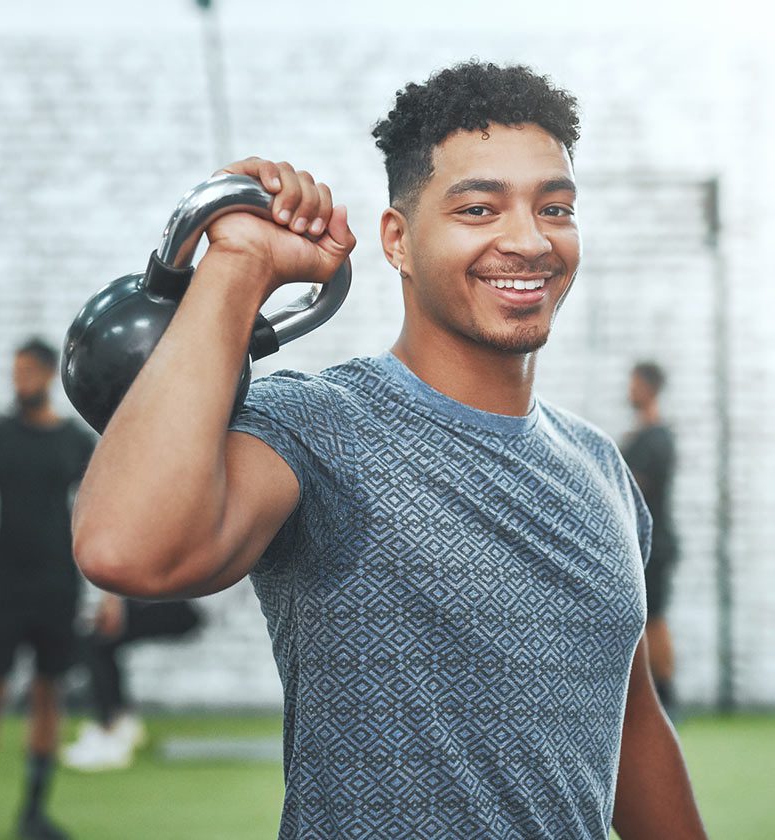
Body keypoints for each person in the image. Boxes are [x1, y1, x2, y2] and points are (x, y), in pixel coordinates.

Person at [71, 62, 708, 838]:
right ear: (397, 242)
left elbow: (633, 725)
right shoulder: (318, 426)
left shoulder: (600, 467)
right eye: (479, 208)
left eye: (556, 207)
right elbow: (126, 550)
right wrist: (239, 264)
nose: (529, 239)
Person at [0, 338, 95, 840]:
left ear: (49, 375)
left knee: (47, 695)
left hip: (58, 589)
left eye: (28, 371)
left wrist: (109, 593)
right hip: (4, 589)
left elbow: (98, 516)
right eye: (15, 372)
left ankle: (32, 815)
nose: (19, 380)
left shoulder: (74, 442)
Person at [62, 593, 202, 771]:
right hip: (177, 599)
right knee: (100, 642)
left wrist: (113, 601)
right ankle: (120, 723)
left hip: (187, 603)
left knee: (98, 642)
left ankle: (110, 734)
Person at [621, 362, 679, 714]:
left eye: (633, 384)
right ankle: (655, 697)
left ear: (648, 388)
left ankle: (668, 697)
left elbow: (637, 487)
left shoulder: (657, 440)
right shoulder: (640, 436)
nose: (629, 390)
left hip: (656, 546)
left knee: (655, 618)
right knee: (646, 619)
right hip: (640, 543)